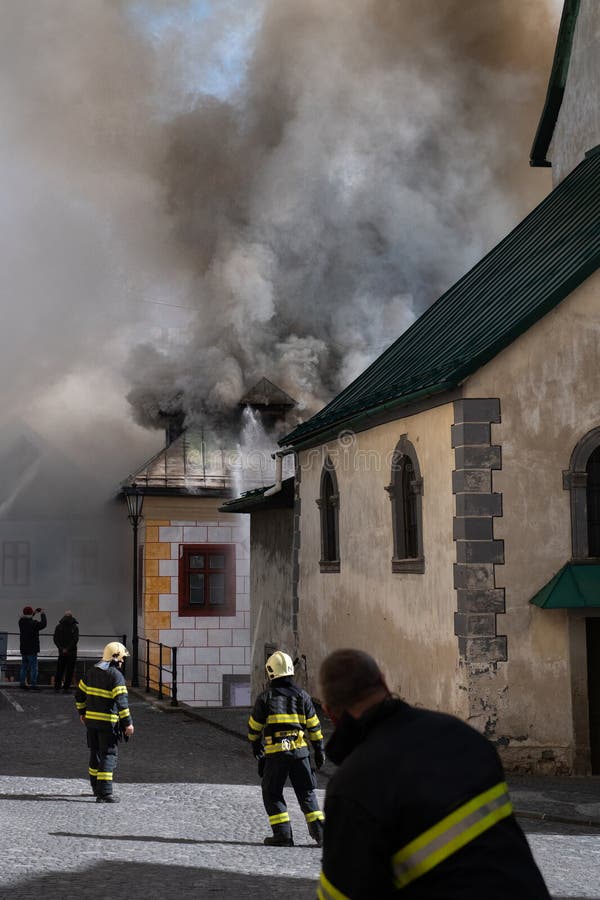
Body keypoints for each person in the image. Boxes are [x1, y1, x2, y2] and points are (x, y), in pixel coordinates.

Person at [317, 648, 551, 900]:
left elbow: (341, 893)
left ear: (330, 713)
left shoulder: (352, 785)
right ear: (383, 681)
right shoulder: (462, 736)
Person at [247, 650, 325, 846]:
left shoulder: (266, 698)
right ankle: (321, 835)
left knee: (272, 792)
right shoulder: (303, 697)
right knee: (306, 792)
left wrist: (256, 746)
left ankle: (283, 835)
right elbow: (314, 727)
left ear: (271, 672)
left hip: (276, 754)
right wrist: (319, 750)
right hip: (300, 753)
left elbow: (254, 728)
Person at [75, 641, 134, 803]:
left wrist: (82, 713)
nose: (122, 662)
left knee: (95, 754)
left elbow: (79, 695)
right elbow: (122, 703)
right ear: (115, 658)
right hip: (108, 724)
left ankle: (95, 788)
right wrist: (128, 724)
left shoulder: (91, 672)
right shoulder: (116, 676)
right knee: (108, 755)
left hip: (91, 723)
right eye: (121, 658)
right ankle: (105, 793)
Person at [18, 606, 47, 691]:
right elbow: (43, 624)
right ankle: (33, 684)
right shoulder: (34, 623)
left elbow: (27, 617)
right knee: (33, 668)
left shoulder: (21, 622)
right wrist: (42, 613)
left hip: (23, 648)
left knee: (24, 667)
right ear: (30, 614)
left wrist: (33, 613)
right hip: (32, 649)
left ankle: (22, 683)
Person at [53, 610, 79, 693]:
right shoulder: (75, 627)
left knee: (60, 669)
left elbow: (55, 639)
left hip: (61, 652)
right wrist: (68, 649)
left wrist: (61, 649)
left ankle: (57, 687)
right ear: (71, 616)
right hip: (72, 652)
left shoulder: (58, 627)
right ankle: (66, 688)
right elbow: (75, 640)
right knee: (69, 670)